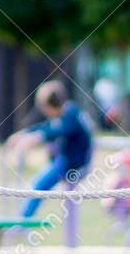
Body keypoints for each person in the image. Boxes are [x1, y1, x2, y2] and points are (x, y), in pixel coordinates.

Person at [6, 80, 93, 219]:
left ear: (48, 106)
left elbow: (58, 129)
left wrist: (37, 137)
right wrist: (24, 133)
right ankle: (22, 218)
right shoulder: (63, 114)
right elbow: (47, 126)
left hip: (76, 167)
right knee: (38, 183)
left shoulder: (71, 114)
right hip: (64, 164)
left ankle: (22, 221)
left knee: (39, 185)